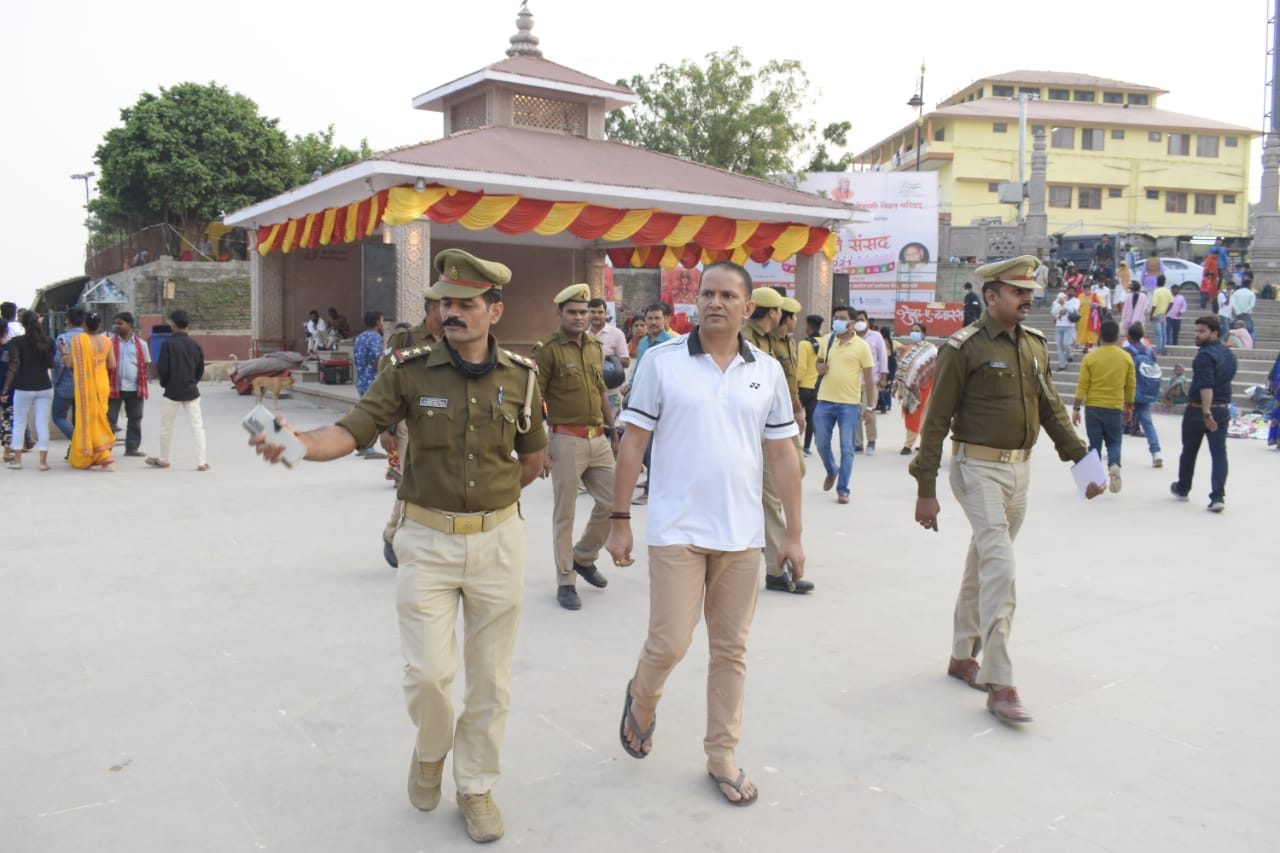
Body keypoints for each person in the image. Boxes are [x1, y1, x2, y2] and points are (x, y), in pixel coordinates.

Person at [250, 249, 546, 844]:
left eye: (466, 304)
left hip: (499, 543)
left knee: (491, 680)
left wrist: (489, 511)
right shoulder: (408, 371)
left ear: (495, 310)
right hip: (428, 542)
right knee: (429, 675)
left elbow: (533, 460)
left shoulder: (522, 375)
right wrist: (299, 444)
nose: (452, 313)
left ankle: (477, 786)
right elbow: (352, 430)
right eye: (445, 303)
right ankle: (432, 748)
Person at [606, 260, 804, 807]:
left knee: (730, 649)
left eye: (727, 295)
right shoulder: (663, 362)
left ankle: (721, 753)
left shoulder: (767, 370)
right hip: (677, 528)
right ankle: (642, 700)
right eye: (707, 293)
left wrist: (793, 534)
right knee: (670, 641)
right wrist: (619, 521)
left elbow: (784, 455)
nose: (715, 303)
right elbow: (633, 444)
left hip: (742, 536)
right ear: (696, 301)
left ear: (747, 308)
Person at [911, 255, 1099, 725]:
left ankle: (961, 655)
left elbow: (1052, 409)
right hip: (976, 468)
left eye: (1029, 291)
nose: (1028, 299)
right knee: (1002, 566)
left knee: (984, 561)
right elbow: (935, 421)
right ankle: (1000, 680)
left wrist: (1083, 464)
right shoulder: (964, 348)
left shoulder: (1034, 344)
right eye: (1018, 292)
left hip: (1020, 472)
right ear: (991, 296)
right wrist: (926, 487)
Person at [532, 283, 618, 611]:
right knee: (564, 513)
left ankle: (583, 556)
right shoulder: (547, 349)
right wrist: (539, 446)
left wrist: (612, 431)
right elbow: (533, 398)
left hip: (597, 438)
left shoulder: (596, 346)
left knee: (613, 503)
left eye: (584, 312)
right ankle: (565, 579)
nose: (580, 317)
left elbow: (600, 390)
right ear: (560, 314)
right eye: (573, 312)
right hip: (565, 439)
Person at [741, 287, 808, 594]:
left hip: (778, 426)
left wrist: (796, 410)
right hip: (756, 430)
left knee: (779, 490)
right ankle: (776, 569)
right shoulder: (744, 339)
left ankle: (774, 561)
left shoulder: (776, 339)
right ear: (772, 312)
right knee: (769, 496)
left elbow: (788, 381)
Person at [377, 288, 444, 568]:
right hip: (409, 421)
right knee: (410, 480)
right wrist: (385, 427)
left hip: (444, 420)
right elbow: (384, 384)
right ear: (432, 308)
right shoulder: (406, 339)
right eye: (448, 305)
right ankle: (392, 534)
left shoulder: (458, 339)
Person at [1171, 315, 1236, 512]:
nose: (1197, 335)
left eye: (1202, 331)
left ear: (1214, 333)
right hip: (1223, 408)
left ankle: (1183, 488)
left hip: (1200, 410)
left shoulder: (1204, 356)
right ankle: (1218, 497)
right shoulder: (1229, 354)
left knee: (1189, 450)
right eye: (1196, 330)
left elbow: (1206, 385)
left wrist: (1207, 412)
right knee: (1219, 453)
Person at [814, 304, 874, 505]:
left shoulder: (862, 346)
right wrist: (820, 367)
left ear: (851, 322)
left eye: (841, 317)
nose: (836, 321)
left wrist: (870, 407)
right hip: (824, 401)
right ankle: (832, 469)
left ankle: (843, 489)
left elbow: (869, 378)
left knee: (847, 448)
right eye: (835, 317)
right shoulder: (827, 340)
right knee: (821, 443)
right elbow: (819, 362)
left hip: (849, 405)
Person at [1072, 319, 1135, 493]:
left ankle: (1095, 480)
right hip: (1115, 407)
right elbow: (1131, 384)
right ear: (1117, 336)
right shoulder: (1126, 357)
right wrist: (1129, 406)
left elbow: (1082, 384)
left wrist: (1076, 408)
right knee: (1115, 441)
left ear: (1100, 336)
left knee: (1094, 444)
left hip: (1093, 407)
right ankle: (1114, 464)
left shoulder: (1090, 357)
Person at [146, 310, 208, 472]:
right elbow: (200, 369)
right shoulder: (196, 345)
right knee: (197, 426)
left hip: (172, 391)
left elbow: (163, 368)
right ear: (188, 325)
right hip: (191, 391)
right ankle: (201, 461)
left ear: (173, 325)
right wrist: (192, 382)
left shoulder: (167, 344)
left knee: (166, 427)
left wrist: (166, 384)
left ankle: (165, 458)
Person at [3, 310, 54, 470]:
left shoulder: (17, 342)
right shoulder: (48, 341)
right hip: (44, 386)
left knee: (19, 422)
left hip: (23, 386)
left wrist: (5, 389)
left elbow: (13, 366)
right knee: (41, 424)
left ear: (22, 324)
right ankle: (43, 462)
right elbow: (51, 364)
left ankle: (17, 460)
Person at [67, 313, 118, 471]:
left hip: (86, 385)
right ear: (99, 324)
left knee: (88, 419)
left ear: (84, 325)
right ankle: (97, 453)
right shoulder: (106, 341)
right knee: (100, 417)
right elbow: (112, 364)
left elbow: (70, 364)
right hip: (102, 383)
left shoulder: (78, 341)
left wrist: (63, 353)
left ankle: (102, 456)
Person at [108, 312, 150, 458]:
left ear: (130, 325)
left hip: (134, 388)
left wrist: (142, 383)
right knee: (109, 419)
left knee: (135, 418)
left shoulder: (141, 345)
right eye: (116, 323)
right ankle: (105, 449)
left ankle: (132, 448)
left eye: (120, 323)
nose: (117, 326)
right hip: (114, 388)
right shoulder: (109, 343)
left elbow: (145, 365)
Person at [1122, 323, 1164, 467]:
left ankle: (1112, 451)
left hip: (1130, 392)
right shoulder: (1149, 351)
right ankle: (1156, 452)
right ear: (1142, 336)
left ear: (1129, 336)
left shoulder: (1127, 351)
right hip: (1146, 391)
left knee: (1119, 423)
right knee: (1148, 423)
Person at [893, 322, 937, 455]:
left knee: (920, 415)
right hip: (908, 389)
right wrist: (897, 385)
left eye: (917, 331)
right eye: (912, 330)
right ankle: (916, 442)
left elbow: (935, 369)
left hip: (925, 387)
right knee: (911, 414)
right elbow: (901, 370)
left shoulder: (932, 350)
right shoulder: (908, 349)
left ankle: (909, 444)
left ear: (924, 334)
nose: (914, 333)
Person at [588, 296, 629, 415]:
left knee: (607, 429)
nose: (596, 315)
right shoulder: (583, 335)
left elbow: (626, 362)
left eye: (600, 312)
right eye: (592, 312)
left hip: (609, 393)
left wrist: (605, 362)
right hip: (589, 393)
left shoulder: (616, 334)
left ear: (606, 313)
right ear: (588, 313)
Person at [853, 309, 886, 454]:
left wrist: (884, 376)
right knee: (855, 413)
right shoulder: (851, 337)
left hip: (871, 381)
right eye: (857, 320)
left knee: (869, 409)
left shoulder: (876, 336)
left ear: (867, 321)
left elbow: (883, 356)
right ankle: (858, 442)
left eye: (862, 319)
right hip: (853, 381)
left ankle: (871, 441)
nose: (859, 322)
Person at [51, 307, 86, 440]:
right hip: (85, 384)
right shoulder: (89, 338)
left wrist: (55, 381)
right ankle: (80, 447)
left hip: (66, 384)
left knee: (58, 416)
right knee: (80, 418)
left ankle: (77, 441)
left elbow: (58, 364)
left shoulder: (63, 339)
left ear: (68, 321)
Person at [797, 314, 823, 455]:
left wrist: (796, 383)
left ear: (808, 327)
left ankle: (796, 445)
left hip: (804, 387)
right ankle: (807, 447)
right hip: (817, 387)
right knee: (811, 418)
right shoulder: (825, 342)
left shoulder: (804, 344)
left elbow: (801, 368)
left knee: (795, 416)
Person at [1050, 290, 1078, 370]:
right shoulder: (1055, 304)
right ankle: (1062, 365)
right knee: (1059, 346)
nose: (1061, 299)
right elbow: (1053, 313)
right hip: (1058, 326)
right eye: (1059, 298)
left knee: (1066, 344)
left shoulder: (1069, 303)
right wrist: (1058, 308)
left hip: (1068, 326)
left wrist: (1064, 305)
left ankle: (1069, 355)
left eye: (1063, 297)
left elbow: (1073, 311)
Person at [1148, 276, 1173, 355]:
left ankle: (1158, 351)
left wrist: (1151, 315)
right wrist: (1166, 312)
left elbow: (1154, 304)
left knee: (1159, 335)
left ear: (1157, 282)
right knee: (1163, 334)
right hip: (1163, 314)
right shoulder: (1168, 291)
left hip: (1156, 315)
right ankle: (1162, 351)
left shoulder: (1156, 291)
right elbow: (1172, 302)